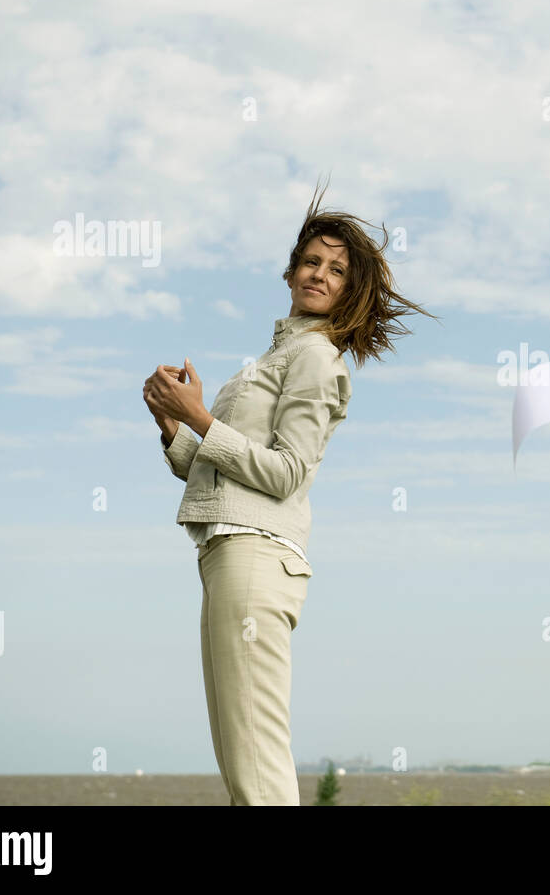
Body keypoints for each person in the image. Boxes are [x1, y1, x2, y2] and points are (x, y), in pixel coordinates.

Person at [142, 178, 438, 804]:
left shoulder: (315, 358)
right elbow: (224, 468)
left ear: (349, 292)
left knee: (255, 758)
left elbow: (285, 472)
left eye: (336, 270)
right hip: (230, 552)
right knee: (239, 752)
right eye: (311, 261)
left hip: (256, 556)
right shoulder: (273, 359)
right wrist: (174, 426)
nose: (320, 274)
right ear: (290, 271)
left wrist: (199, 416)